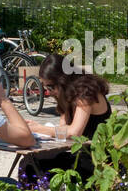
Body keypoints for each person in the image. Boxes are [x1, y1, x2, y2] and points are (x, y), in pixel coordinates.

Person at [22, 53, 110, 181]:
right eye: (46, 87)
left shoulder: (85, 92)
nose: (49, 92)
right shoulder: (68, 93)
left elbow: (74, 132)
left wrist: (38, 128)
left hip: (96, 159)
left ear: (63, 80)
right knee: (30, 162)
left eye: (51, 87)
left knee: (34, 166)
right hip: (82, 153)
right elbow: (64, 128)